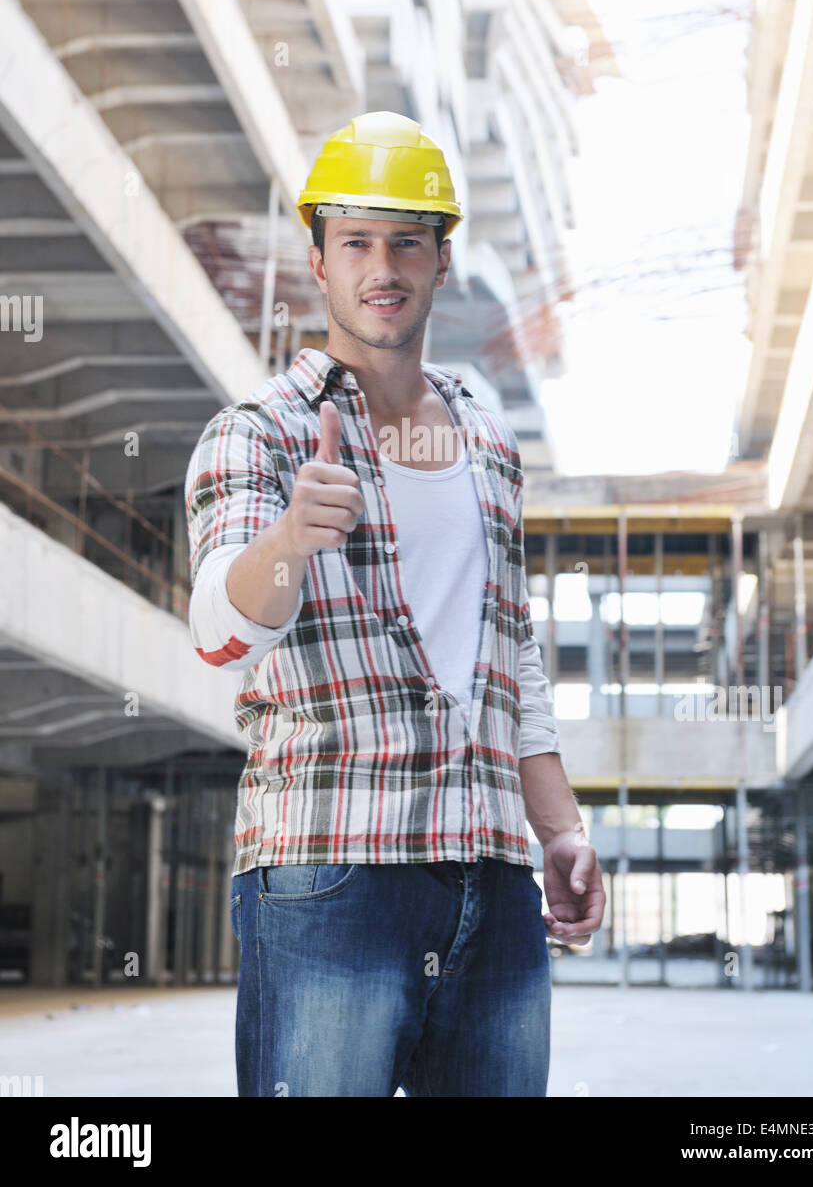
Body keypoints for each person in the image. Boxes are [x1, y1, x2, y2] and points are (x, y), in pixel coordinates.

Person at [184, 110, 605, 1097]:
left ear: (440, 258)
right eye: (357, 242)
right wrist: (287, 539)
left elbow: (513, 656)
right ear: (318, 260)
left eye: (405, 242)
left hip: (491, 881)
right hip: (330, 872)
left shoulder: (486, 435)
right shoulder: (256, 435)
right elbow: (217, 635)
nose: (383, 266)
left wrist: (557, 830)